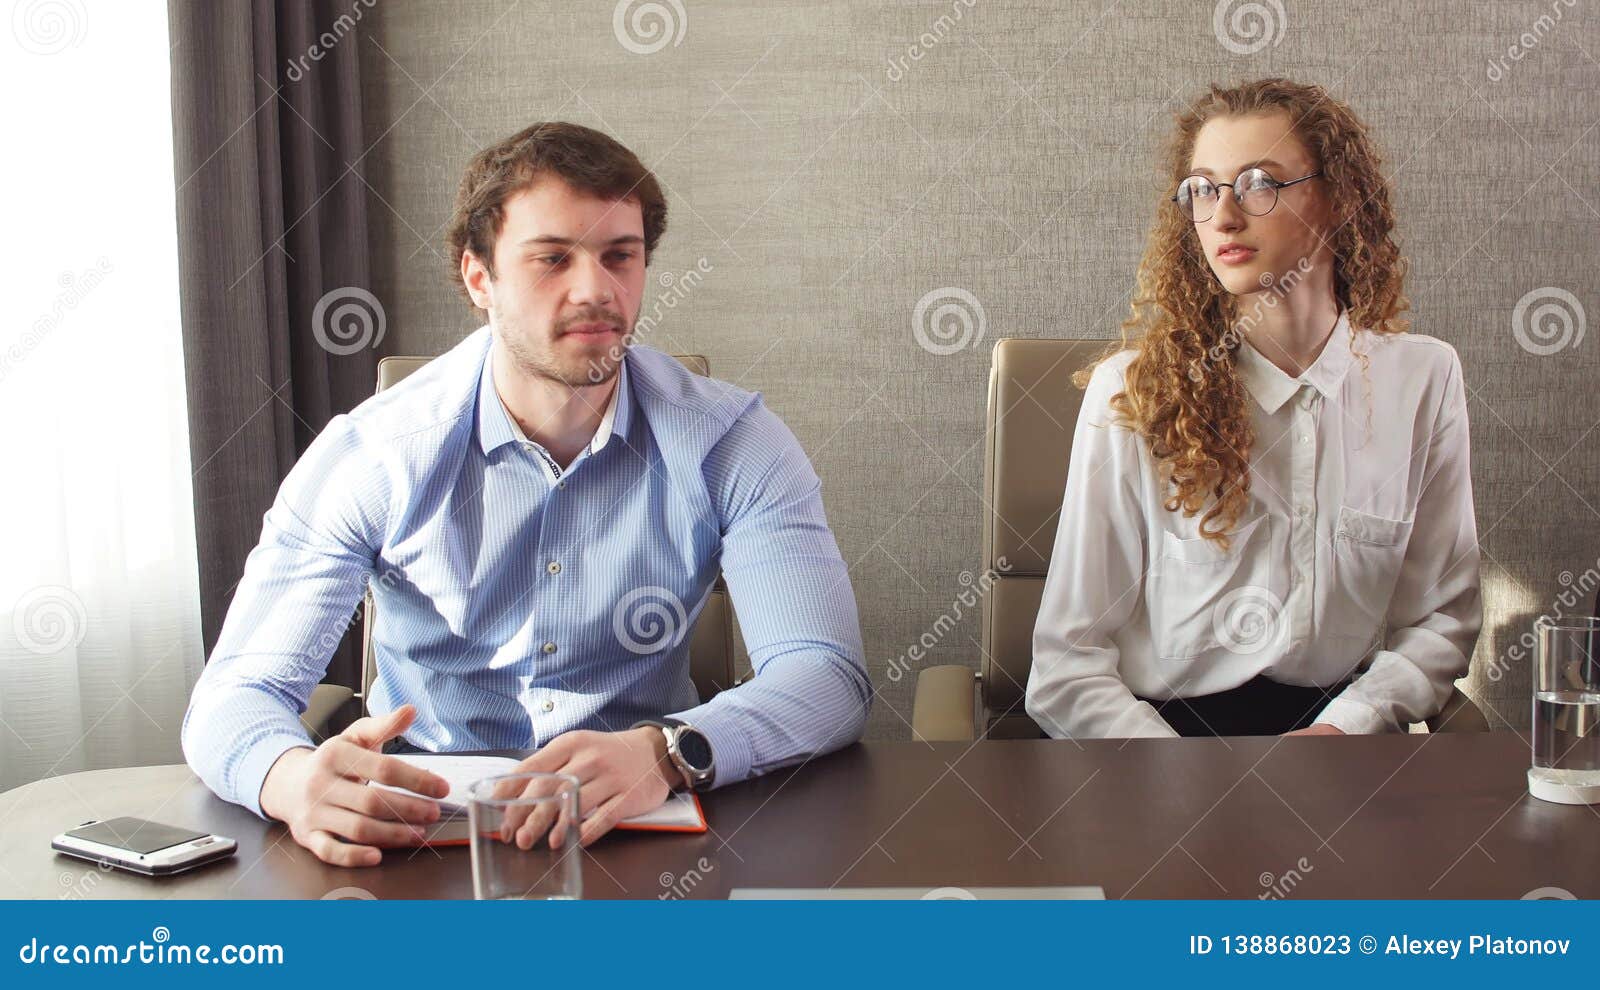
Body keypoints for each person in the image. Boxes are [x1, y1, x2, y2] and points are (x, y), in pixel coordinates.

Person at [182, 122, 870, 866]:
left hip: (638, 823)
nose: (596, 290)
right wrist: (288, 778)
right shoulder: (373, 456)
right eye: (552, 259)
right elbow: (234, 696)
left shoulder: (734, 441)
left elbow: (826, 676)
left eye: (620, 257)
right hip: (422, 836)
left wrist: (670, 750)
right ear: (480, 278)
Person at [1026, 79, 1481, 739]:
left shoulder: (1424, 378)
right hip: (1155, 746)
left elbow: (1441, 622)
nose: (1223, 216)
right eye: (1203, 188)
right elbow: (1066, 664)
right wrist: (1185, 776)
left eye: (1258, 183)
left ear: (1336, 200)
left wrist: (1350, 726)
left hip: (1336, 744)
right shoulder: (1134, 390)